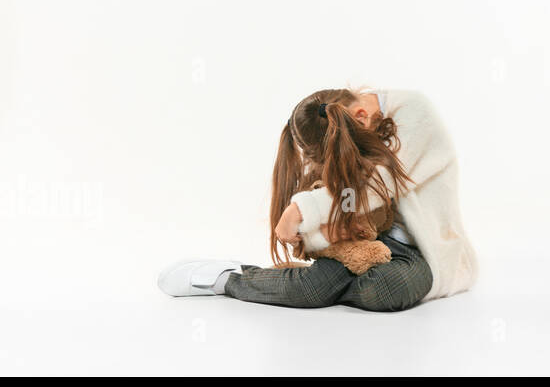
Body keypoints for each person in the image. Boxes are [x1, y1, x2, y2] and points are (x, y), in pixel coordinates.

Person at [156, 86, 478, 310]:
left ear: (362, 116)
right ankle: (227, 279)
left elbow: (377, 188)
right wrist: (326, 235)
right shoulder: (341, 123)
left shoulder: (414, 111)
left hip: (418, 252)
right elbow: (345, 205)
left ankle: (304, 284)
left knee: (385, 289)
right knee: (312, 289)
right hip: (363, 243)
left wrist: (301, 209)